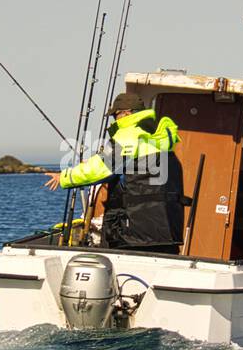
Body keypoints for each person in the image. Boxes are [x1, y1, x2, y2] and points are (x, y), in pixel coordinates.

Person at [44, 93, 184, 251]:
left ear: (126, 113)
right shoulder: (159, 139)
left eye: (115, 115)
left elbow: (98, 170)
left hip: (133, 235)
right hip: (166, 233)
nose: (114, 120)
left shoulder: (128, 135)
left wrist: (64, 177)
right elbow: (137, 173)